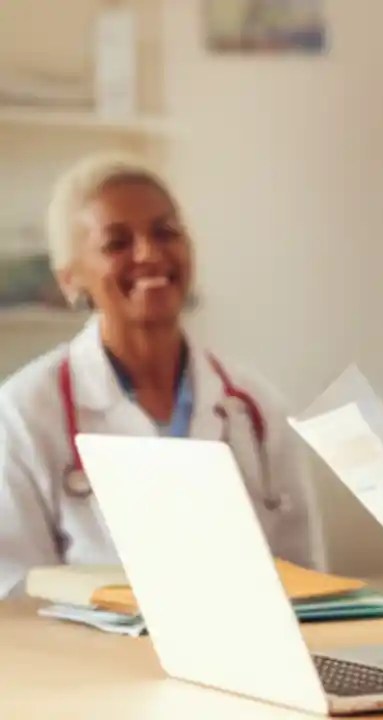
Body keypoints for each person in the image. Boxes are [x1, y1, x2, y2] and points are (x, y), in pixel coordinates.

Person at [0, 154, 319, 598]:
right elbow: (12, 597)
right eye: (117, 243)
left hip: (246, 661)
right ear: (71, 280)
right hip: (92, 666)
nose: (149, 254)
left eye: (165, 233)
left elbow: (309, 586)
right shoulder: (24, 412)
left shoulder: (256, 406)